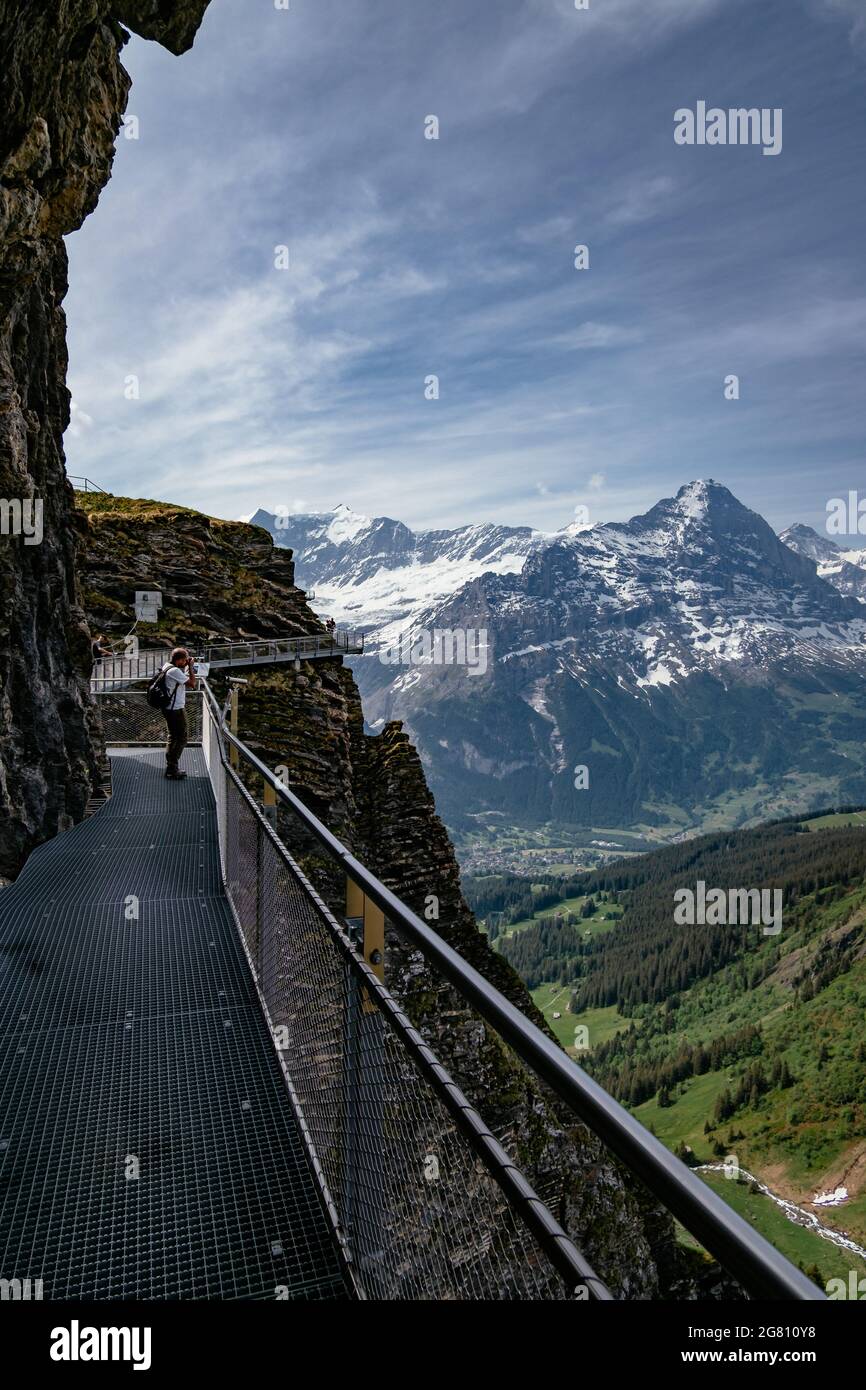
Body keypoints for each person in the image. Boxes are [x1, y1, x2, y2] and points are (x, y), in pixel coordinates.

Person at [160, 647, 196, 781]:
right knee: (182, 738)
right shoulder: (175, 670)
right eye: (185, 660)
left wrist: (186, 666)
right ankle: (172, 769)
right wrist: (191, 667)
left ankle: (171, 767)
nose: (186, 661)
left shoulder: (167, 666)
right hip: (176, 709)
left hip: (169, 708)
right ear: (179, 660)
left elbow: (181, 680)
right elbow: (192, 683)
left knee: (173, 737)